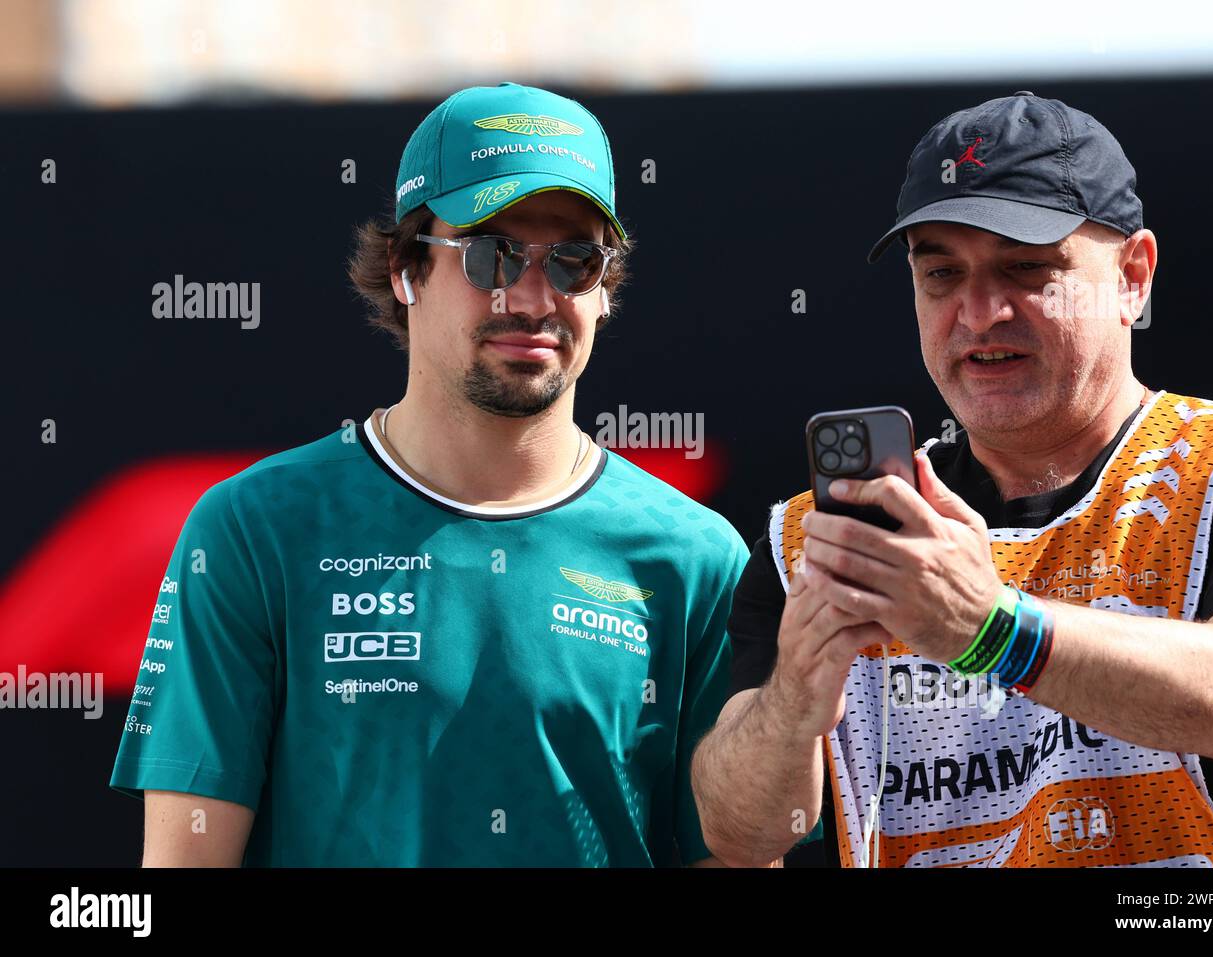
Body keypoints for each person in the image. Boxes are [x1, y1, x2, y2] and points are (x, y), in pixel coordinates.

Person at [110, 82, 747, 867]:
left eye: (576, 260)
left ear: (605, 288)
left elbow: (738, 852)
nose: (533, 295)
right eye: (492, 253)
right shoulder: (254, 530)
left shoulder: (696, 556)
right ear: (406, 265)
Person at [692, 91, 1213, 868]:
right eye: (942, 273)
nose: (980, 312)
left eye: (1026, 268)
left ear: (1133, 277)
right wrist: (793, 703)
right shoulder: (822, 539)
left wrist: (989, 628)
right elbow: (742, 836)